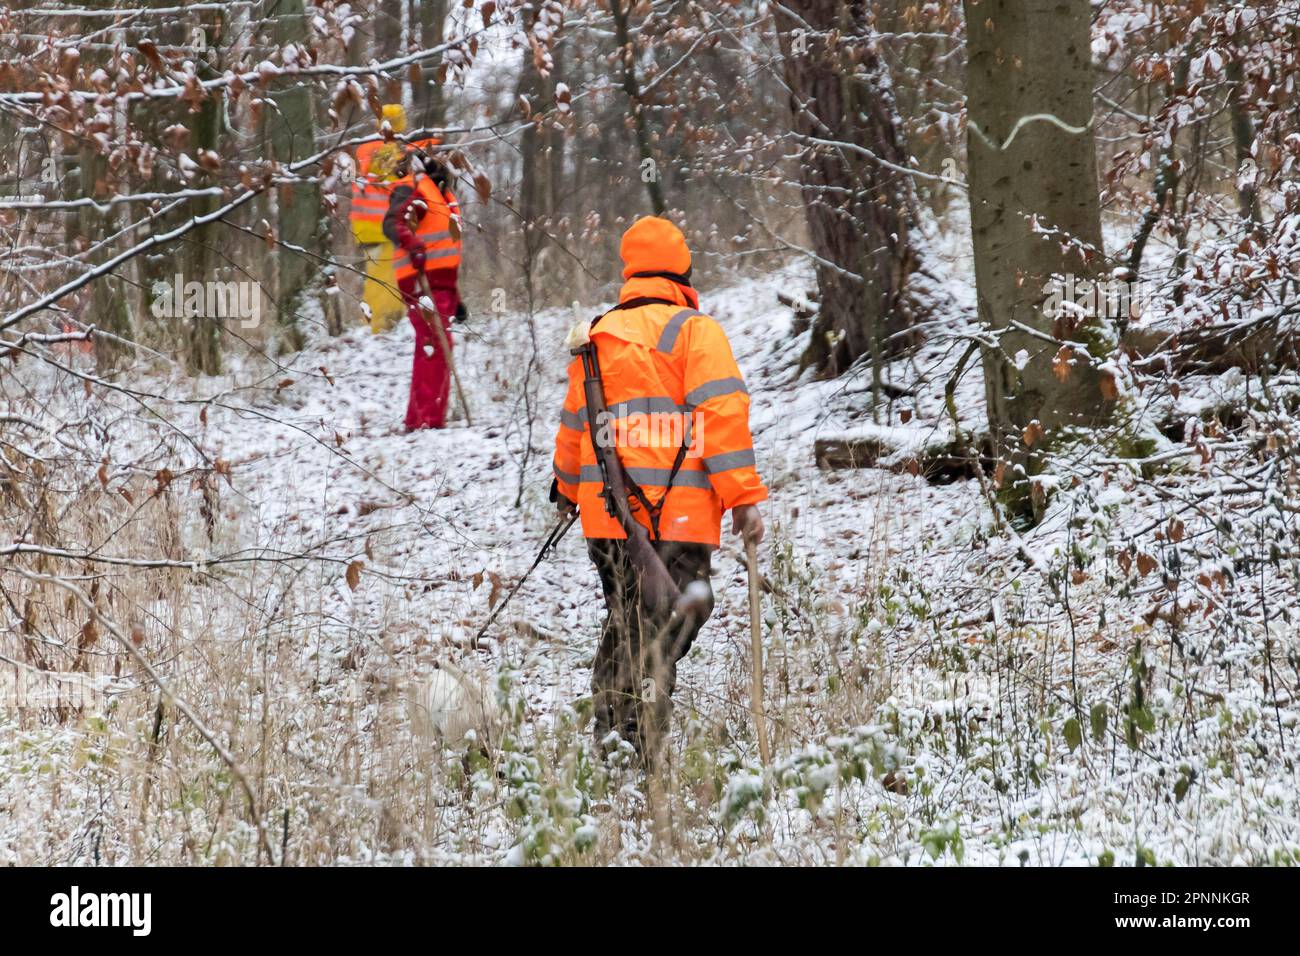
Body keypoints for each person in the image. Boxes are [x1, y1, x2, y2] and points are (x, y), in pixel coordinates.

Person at [550, 216, 767, 760]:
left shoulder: (597, 338)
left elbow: (575, 424)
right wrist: (741, 497)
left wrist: (567, 489)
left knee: (633, 617)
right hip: (680, 518)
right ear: (683, 271)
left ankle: (615, 729)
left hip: (608, 520)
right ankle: (634, 742)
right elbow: (722, 415)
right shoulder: (696, 332)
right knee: (667, 618)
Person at [383, 148, 467, 432]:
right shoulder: (414, 189)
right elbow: (391, 224)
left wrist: (457, 297)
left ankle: (421, 418)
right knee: (433, 347)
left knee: (434, 347)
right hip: (421, 283)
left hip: (440, 286)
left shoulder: (444, 198)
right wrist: (414, 247)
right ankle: (426, 421)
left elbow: (446, 250)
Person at [350, 104, 410, 334]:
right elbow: (397, 182)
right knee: (382, 279)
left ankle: (384, 323)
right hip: (381, 227)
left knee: (382, 277)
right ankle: (378, 327)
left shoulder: (366, 148)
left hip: (367, 227)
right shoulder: (388, 151)